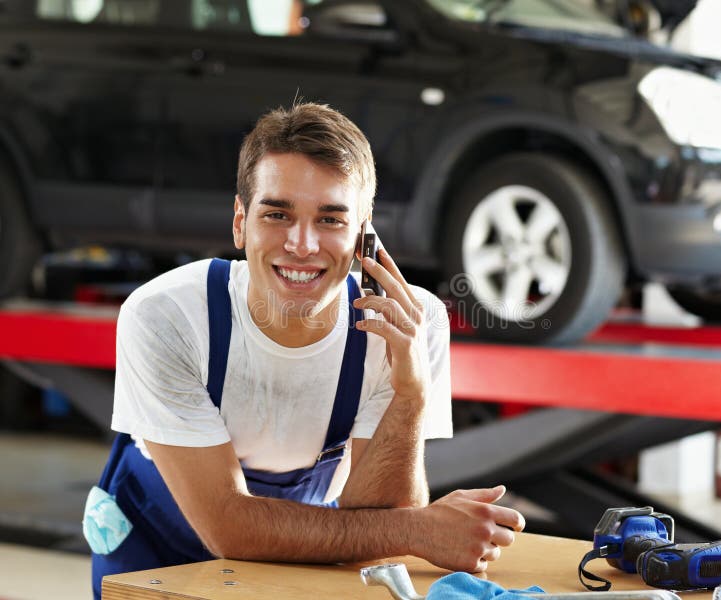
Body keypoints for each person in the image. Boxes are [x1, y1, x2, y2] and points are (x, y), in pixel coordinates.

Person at [84, 102, 524, 599]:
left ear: (364, 235)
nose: (301, 243)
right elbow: (228, 528)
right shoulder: (167, 316)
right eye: (277, 213)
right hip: (154, 550)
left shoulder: (409, 324)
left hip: (300, 556)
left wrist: (411, 394)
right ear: (239, 222)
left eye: (331, 219)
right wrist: (418, 530)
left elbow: (379, 528)